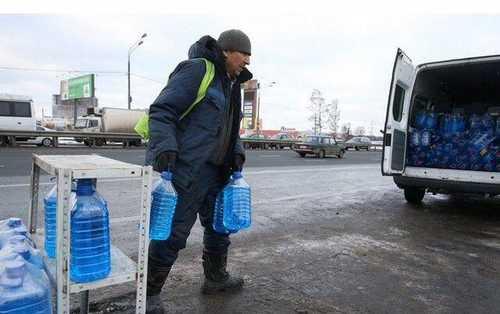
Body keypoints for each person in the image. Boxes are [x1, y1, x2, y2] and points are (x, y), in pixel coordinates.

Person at [144, 29, 252, 313]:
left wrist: (237, 152)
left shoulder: (232, 85)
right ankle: (149, 294)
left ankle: (216, 279)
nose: (248, 61)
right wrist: (165, 147)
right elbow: (161, 111)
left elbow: (228, 129)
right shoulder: (197, 71)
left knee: (219, 228)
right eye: (244, 53)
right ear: (227, 51)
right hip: (188, 169)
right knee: (174, 233)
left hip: (218, 171)